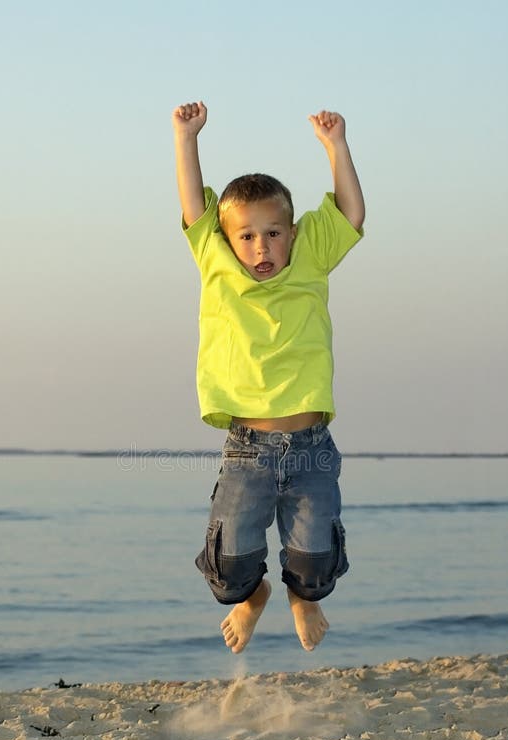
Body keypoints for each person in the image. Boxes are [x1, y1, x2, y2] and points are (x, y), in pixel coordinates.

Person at [172, 100, 365, 655]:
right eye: (249, 236)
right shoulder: (215, 262)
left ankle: (302, 598)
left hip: (311, 448)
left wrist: (337, 148)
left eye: (275, 233)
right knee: (228, 566)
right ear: (227, 239)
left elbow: (351, 214)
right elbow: (193, 203)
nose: (262, 246)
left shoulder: (310, 257)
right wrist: (187, 139)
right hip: (248, 450)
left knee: (316, 564)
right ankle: (253, 597)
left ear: (293, 231)